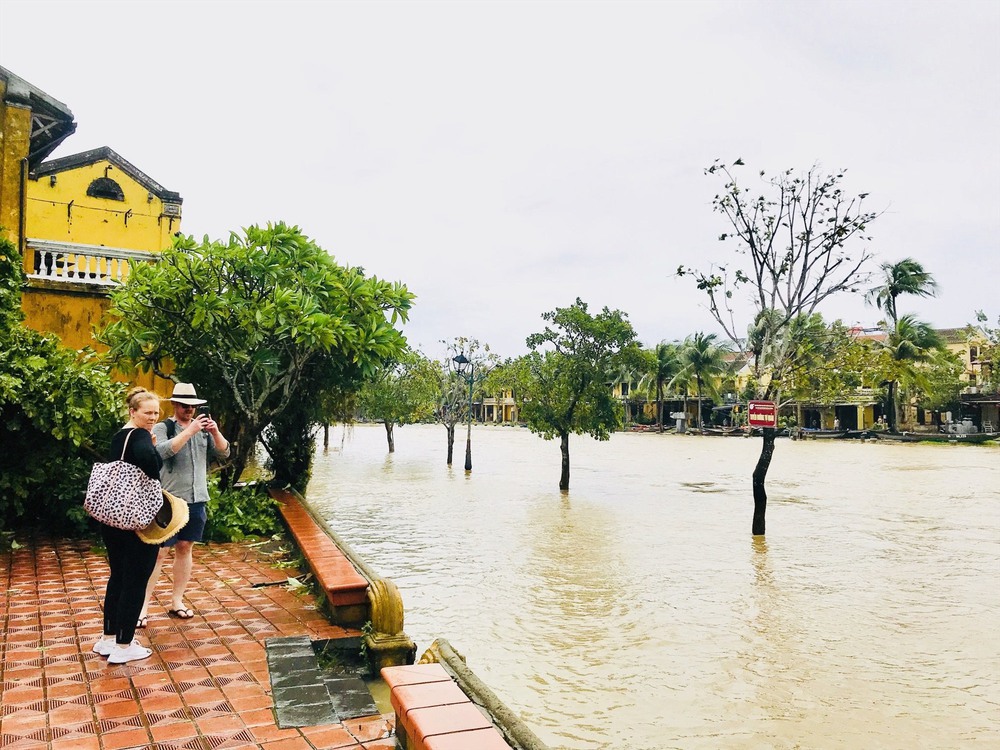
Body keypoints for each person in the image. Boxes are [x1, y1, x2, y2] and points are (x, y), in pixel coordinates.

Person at [139, 383, 230, 624]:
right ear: (175, 405)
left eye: (192, 406)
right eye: (184, 405)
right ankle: (142, 607)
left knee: (185, 547)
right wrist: (189, 431)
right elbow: (161, 452)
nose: (189, 410)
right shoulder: (164, 427)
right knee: (159, 553)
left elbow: (224, 453)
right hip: (169, 501)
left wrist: (215, 432)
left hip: (197, 499)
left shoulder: (203, 429)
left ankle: (176, 601)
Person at [92, 387, 162, 664]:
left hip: (112, 517)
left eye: (156, 413)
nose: (152, 418)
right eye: (147, 412)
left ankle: (108, 638)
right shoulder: (141, 435)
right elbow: (151, 465)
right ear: (133, 411)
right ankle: (124, 645)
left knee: (118, 577)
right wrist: (153, 448)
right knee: (136, 579)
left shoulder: (119, 436)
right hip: (133, 519)